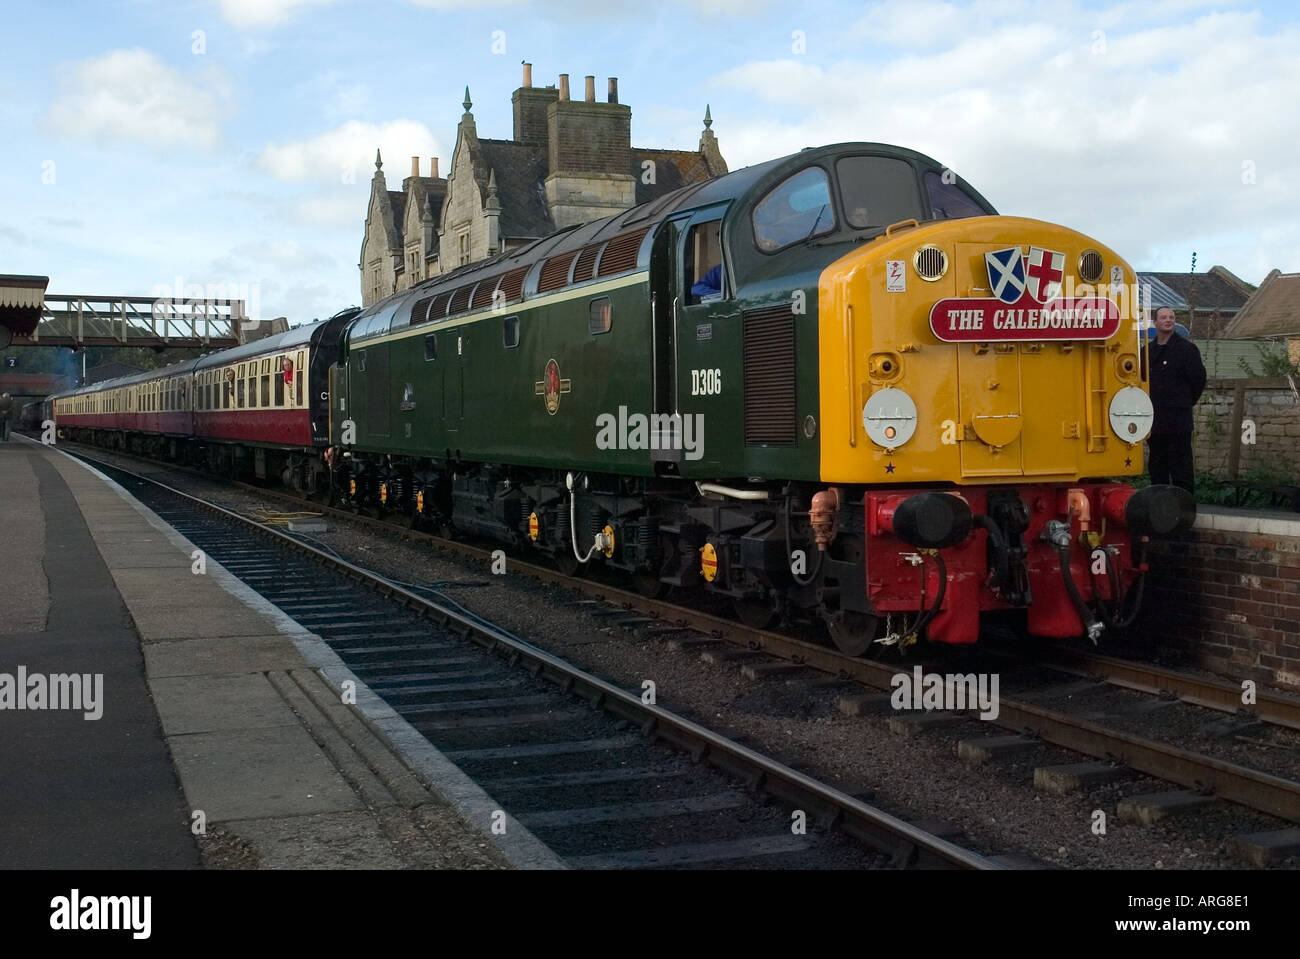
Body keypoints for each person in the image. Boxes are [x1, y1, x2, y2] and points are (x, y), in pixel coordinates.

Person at [1146, 307, 1206, 493]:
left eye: (1171, 317)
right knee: (1157, 466)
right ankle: (1158, 505)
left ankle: (1185, 506)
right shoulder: (1147, 351)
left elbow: (1198, 380)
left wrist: (1183, 403)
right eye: (1163, 317)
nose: (1168, 320)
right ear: (1155, 322)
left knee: (1181, 467)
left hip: (1178, 420)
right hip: (1155, 420)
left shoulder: (1187, 350)